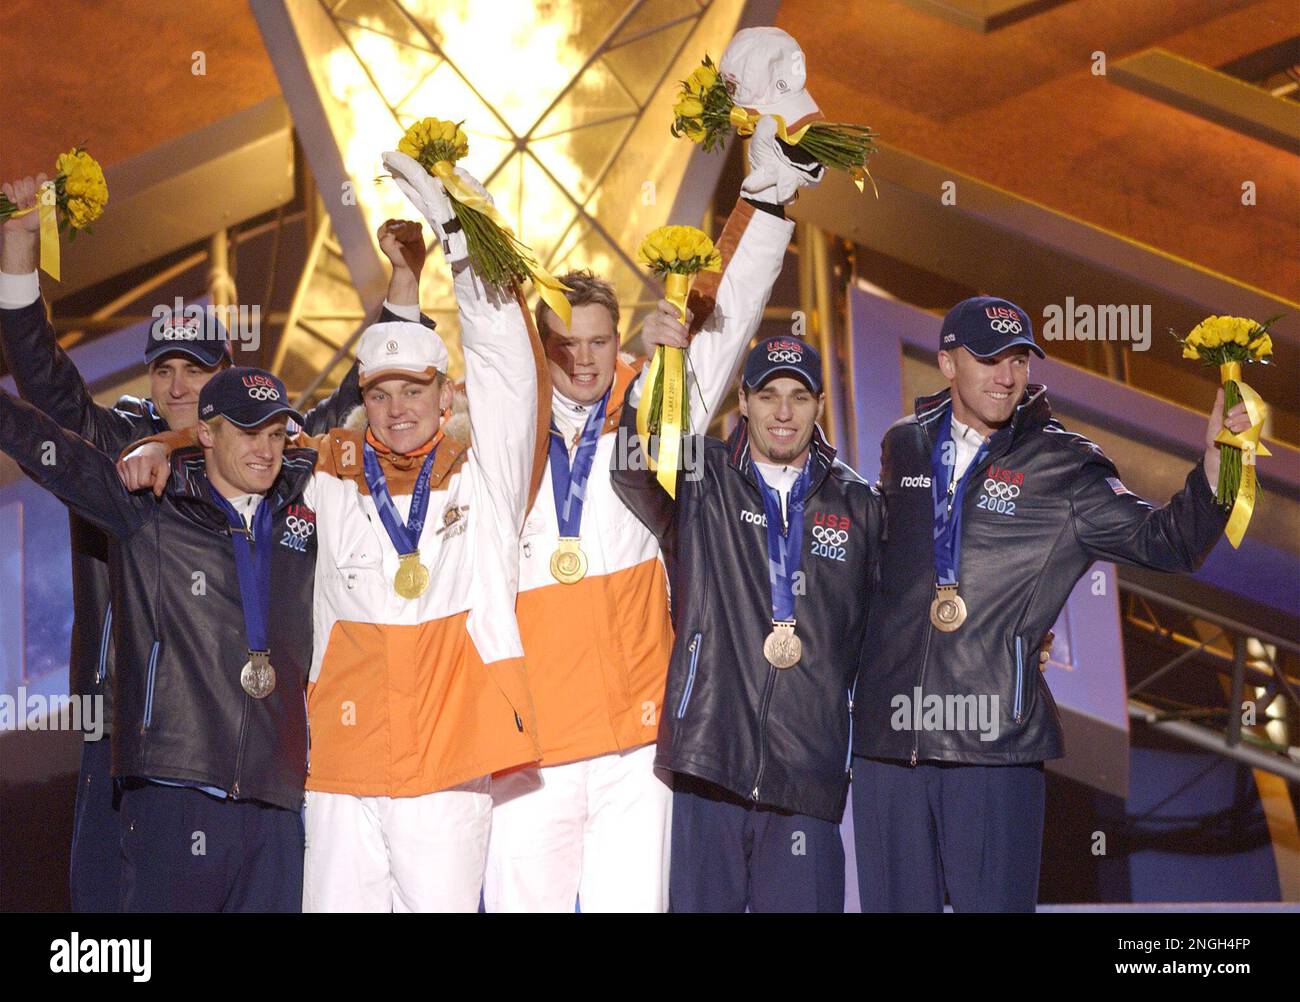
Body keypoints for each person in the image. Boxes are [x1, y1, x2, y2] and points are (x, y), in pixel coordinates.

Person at [0, 169, 431, 911]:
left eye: (195, 370)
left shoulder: (277, 458)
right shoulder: (124, 451)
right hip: (128, 719)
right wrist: (17, 258)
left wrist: (401, 291)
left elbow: (344, 407)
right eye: (162, 369)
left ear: (229, 377)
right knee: (109, 905)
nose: (175, 385)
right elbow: (45, 391)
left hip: (256, 744)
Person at [125, 166, 547, 911]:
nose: (397, 410)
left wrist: (461, 237)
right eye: (380, 394)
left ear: (446, 395)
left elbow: (509, 369)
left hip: (447, 773)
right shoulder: (329, 472)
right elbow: (244, 434)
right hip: (340, 776)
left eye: (415, 390)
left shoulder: (487, 477)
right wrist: (167, 442)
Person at [476, 120, 822, 912]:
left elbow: (725, 313)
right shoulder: (505, 432)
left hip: (637, 740)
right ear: (543, 345)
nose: (588, 360)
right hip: (532, 747)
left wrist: (766, 197)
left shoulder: (650, 407)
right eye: (568, 345)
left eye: (601, 341)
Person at [851, 295, 1253, 913]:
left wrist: (1223, 461)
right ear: (948, 362)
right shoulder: (904, 444)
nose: (1007, 376)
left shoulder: (1064, 465)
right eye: (989, 359)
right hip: (890, 743)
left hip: (993, 746)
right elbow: (883, 569)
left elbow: (1168, 542)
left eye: (1019, 359)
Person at [0, 365, 319, 911]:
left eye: (274, 433)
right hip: (176, 789)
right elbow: (48, 445)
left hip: (277, 804)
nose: (266, 451)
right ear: (208, 433)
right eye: (247, 432)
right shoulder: (147, 506)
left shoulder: (306, 513)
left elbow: (363, 427)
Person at [611, 335, 883, 912]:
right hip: (710, 759)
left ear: (819, 406)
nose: (783, 413)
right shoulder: (701, 475)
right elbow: (632, 462)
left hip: (807, 773)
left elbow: (886, 627)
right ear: (744, 399)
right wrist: (656, 364)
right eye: (768, 396)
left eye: (799, 397)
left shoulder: (860, 505)